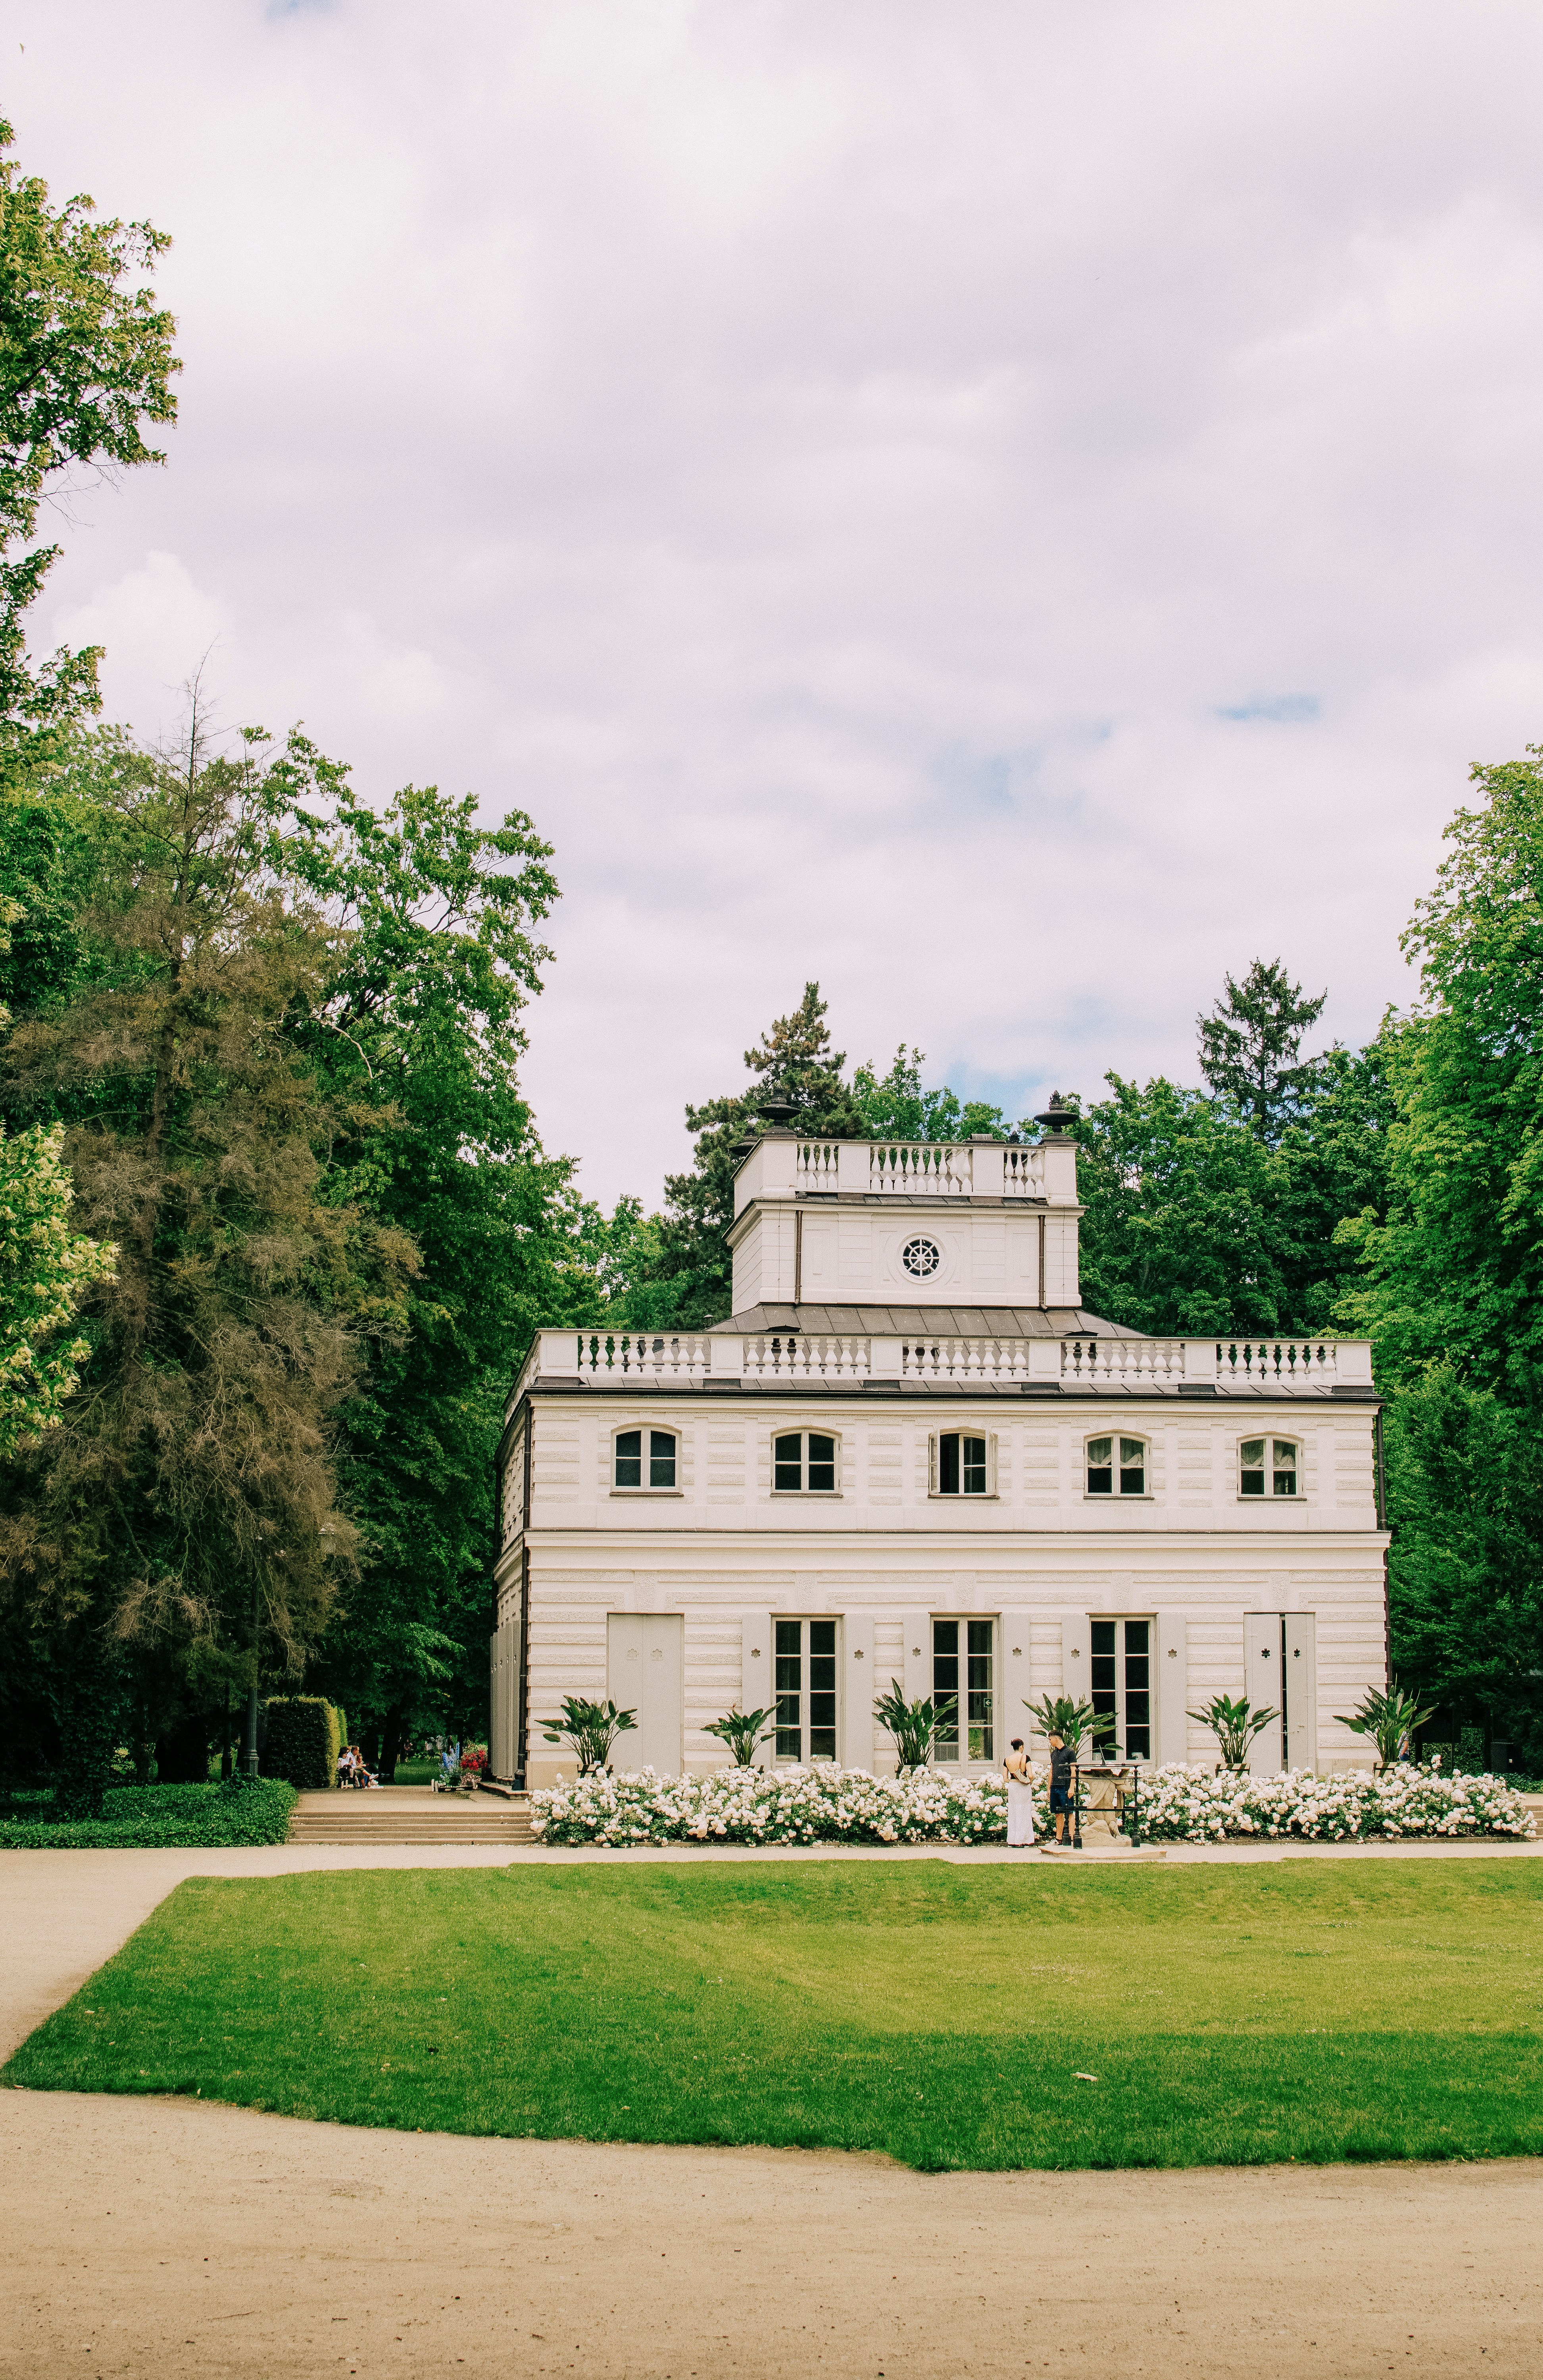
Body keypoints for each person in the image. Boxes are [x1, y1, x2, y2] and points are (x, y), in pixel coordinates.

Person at [1003, 1737, 1035, 1847]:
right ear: (1021, 1747)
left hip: (1013, 1787)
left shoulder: (1007, 1760)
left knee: (1014, 1811)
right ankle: (1025, 1840)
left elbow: (1005, 1779)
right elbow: (1031, 1775)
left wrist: (1013, 1782)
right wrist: (1029, 1781)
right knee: (1024, 1811)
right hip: (1023, 1787)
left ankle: (1013, 1840)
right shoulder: (1026, 1758)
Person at [1047, 1731, 1078, 1846]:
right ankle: (1059, 1839)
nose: (1050, 1741)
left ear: (1056, 1739)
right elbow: (1051, 1771)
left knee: (1070, 1812)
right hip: (1055, 1786)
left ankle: (1072, 1838)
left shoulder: (1070, 1752)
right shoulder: (1053, 1754)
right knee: (1058, 1813)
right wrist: (1049, 1788)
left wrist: (1071, 1787)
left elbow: (1074, 1771)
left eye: (1050, 1739)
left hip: (1065, 1786)